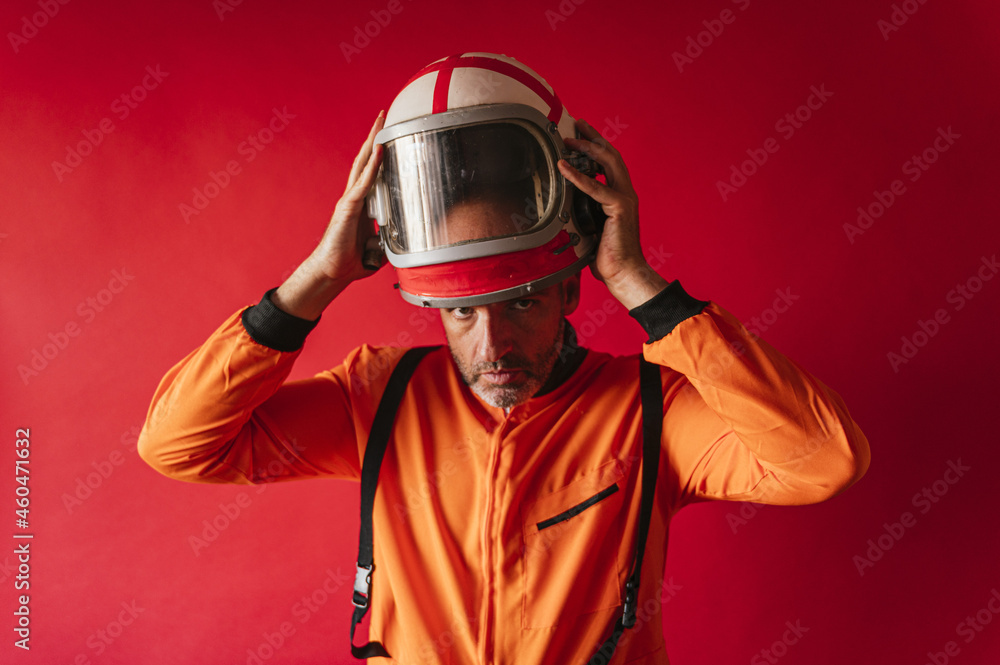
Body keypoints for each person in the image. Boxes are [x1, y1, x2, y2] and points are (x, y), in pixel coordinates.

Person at [138, 53, 870, 664]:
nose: (492, 347)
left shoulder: (650, 409)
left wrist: (640, 284)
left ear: (570, 291)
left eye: (520, 302)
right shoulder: (379, 398)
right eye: (461, 312)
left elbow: (822, 460)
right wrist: (316, 279)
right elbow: (177, 444)